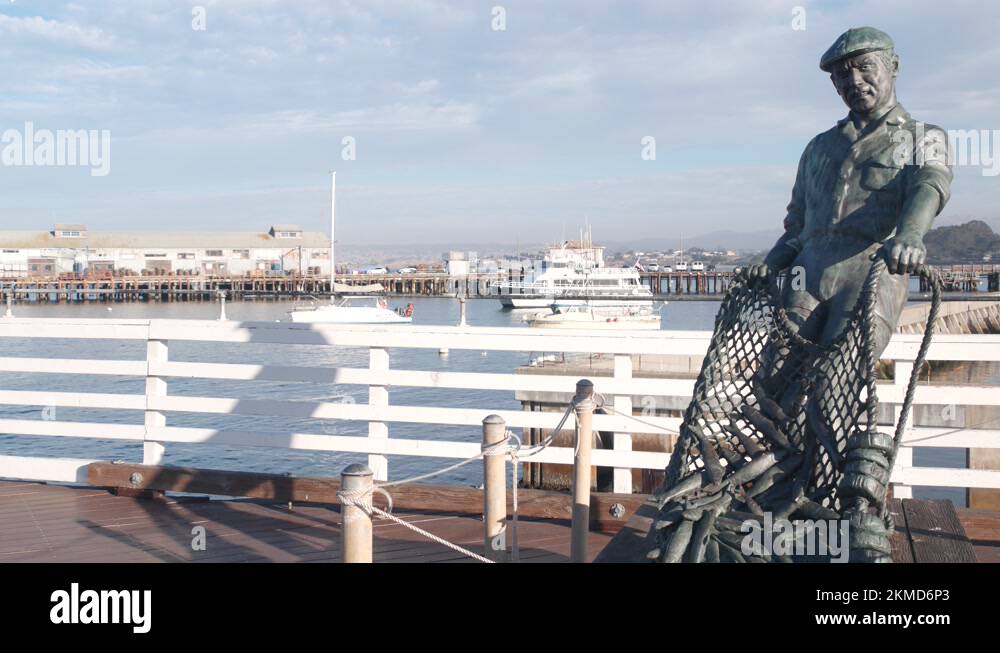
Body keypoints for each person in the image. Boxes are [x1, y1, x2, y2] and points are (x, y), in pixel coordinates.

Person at [749, 27, 952, 357]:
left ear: (893, 67)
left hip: (871, 268)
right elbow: (797, 225)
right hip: (807, 271)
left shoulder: (923, 137)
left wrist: (910, 235)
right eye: (842, 74)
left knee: (836, 386)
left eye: (865, 66)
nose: (854, 80)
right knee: (773, 376)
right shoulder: (818, 147)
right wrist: (772, 262)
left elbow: (930, 184)